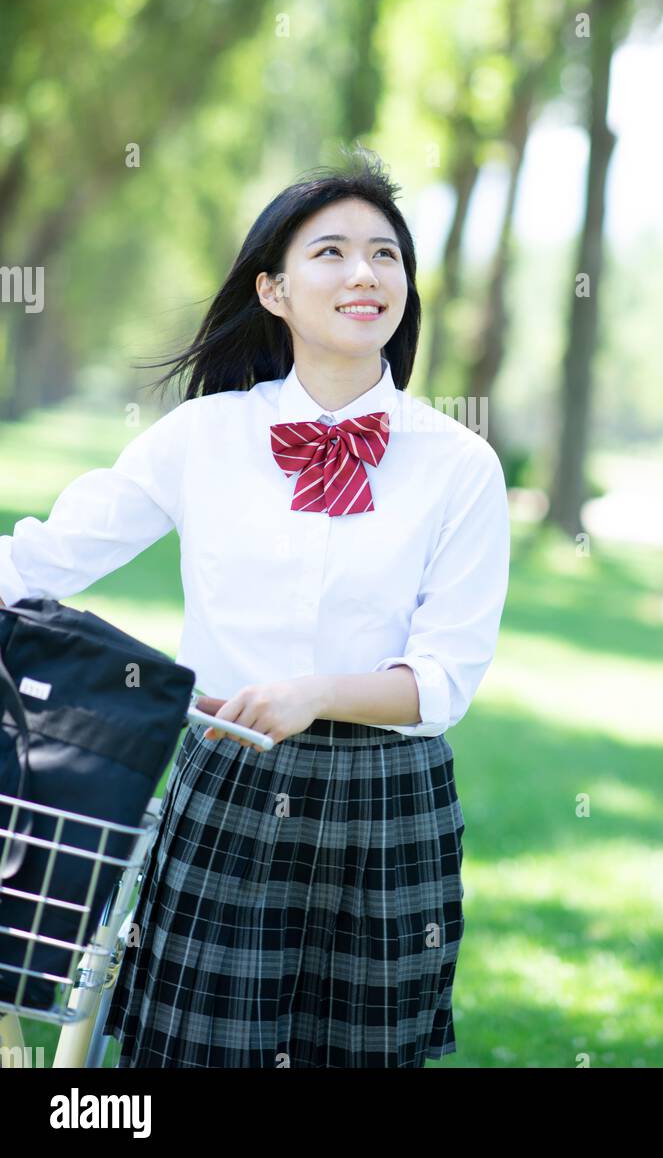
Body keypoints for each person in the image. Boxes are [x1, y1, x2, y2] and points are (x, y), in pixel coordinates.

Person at [0, 148, 511, 1068]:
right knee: (191, 1054)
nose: (365, 273)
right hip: (227, 780)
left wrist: (313, 693)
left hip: (385, 807)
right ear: (272, 290)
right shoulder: (205, 436)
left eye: (386, 254)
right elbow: (47, 556)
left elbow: (444, 680)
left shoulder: (458, 465)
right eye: (332, 252)